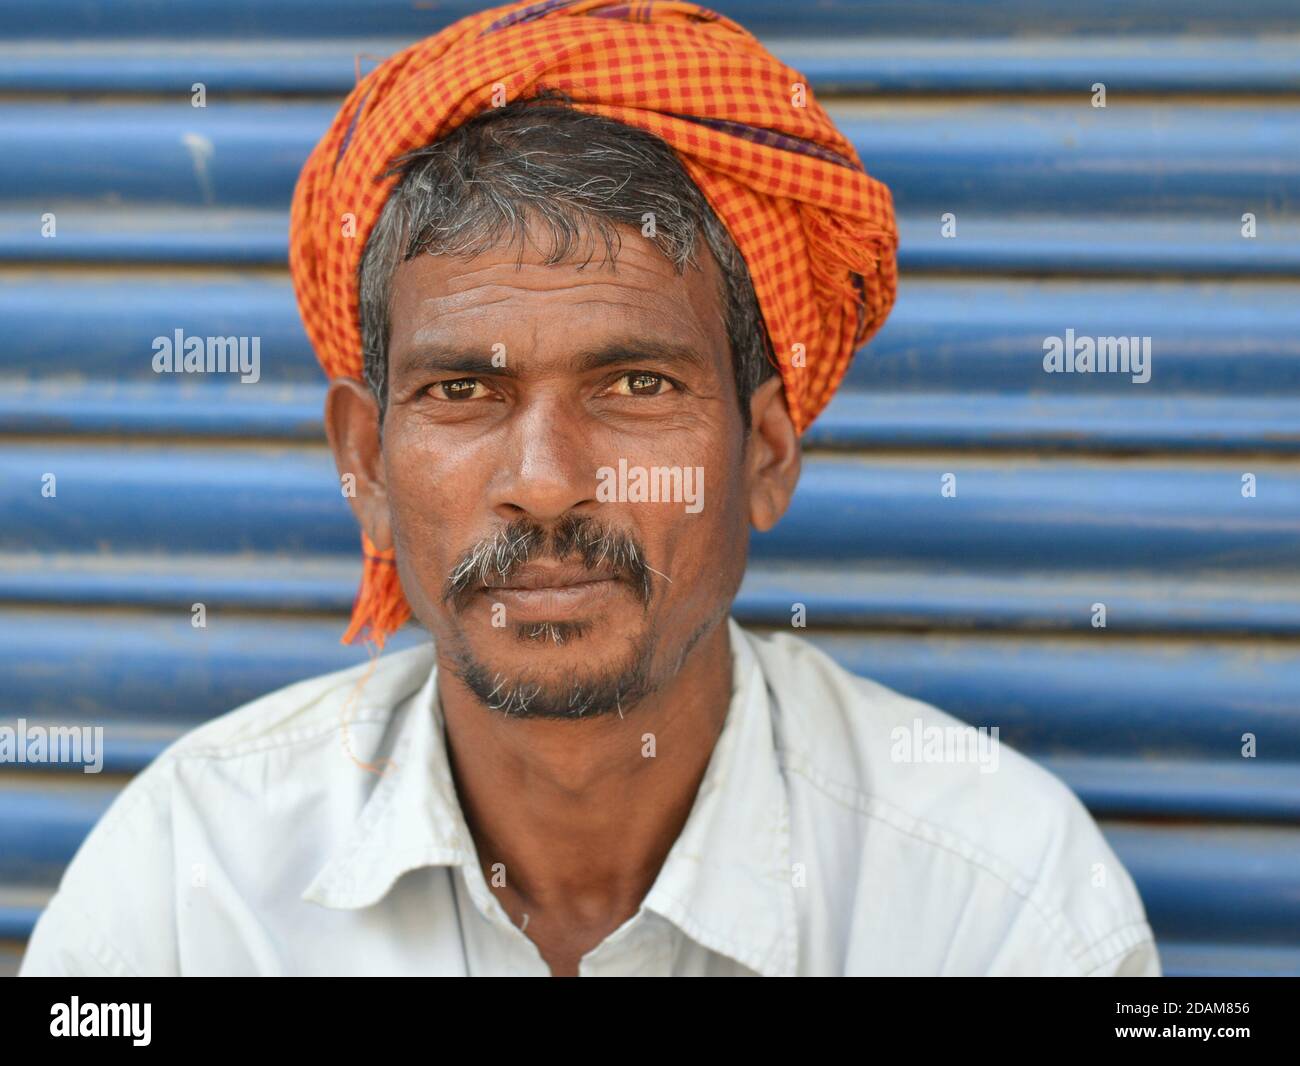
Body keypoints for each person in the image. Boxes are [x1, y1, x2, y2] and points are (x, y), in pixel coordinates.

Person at [20, 0, 1158, 977]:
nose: (547, 484)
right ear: (364, 462)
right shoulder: (187, 886)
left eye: (635, 382)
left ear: (764, 451)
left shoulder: (997, 905)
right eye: (463, 390)